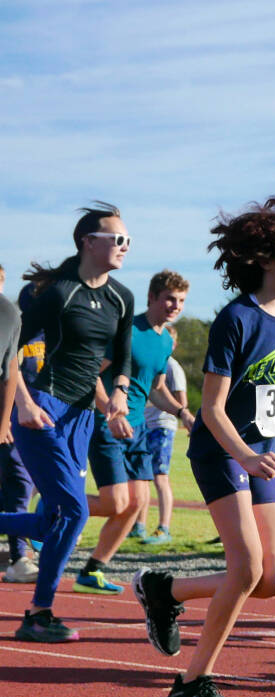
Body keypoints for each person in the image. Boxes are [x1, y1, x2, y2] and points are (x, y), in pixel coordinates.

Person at [132, 197, 275, 697]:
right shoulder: (236, 319)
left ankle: (165, 590)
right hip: (222, 452)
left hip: (267, 457)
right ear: (265, 258)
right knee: (245, 567)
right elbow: (212, 408)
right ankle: (191, 685)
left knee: (274, 580)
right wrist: (245, 455)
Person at [1, 203, 134, 641]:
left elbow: (120, 356)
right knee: (74, 510)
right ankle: (39, 613)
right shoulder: (58, 293)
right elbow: (12, 351)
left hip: (81, 417)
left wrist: (116, 395)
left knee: (57, 521)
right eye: (117, 239)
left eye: (128, 240)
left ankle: (39, 610)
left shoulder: (121, 297)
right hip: (42, 408)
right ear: (87, 242)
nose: (124, 246)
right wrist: (22, 403)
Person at [76, 270, 193, 590]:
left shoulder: (166, 339)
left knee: (138, 501)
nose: (175, 305)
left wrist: (183, 412)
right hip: (106, 423)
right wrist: (110, 413)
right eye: (169, 298)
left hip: (138, 428)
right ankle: (57, 503)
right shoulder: (127, 330)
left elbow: (156, 389)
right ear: (152, 297)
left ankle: (91, 570)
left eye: (181, 300)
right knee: (115, 503)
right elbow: (91, 376)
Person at [136, 327, 193, 544]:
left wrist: (182, 415)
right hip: (145, 425)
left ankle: (163, 528)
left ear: (173, 345)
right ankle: (139, 525)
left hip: (162, 426)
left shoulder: (172, 367)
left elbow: (182, 401)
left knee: (160, 477)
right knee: (142, 477)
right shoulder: (152, 362)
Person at [0, 263, 38, 584]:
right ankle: (19, 554)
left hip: (23, 424)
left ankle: (20, 553)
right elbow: (11, 373)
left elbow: (11, 371)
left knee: (22, 483)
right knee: (17, 483)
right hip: (14, 420)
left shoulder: (11, 316)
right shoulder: (15, 321)